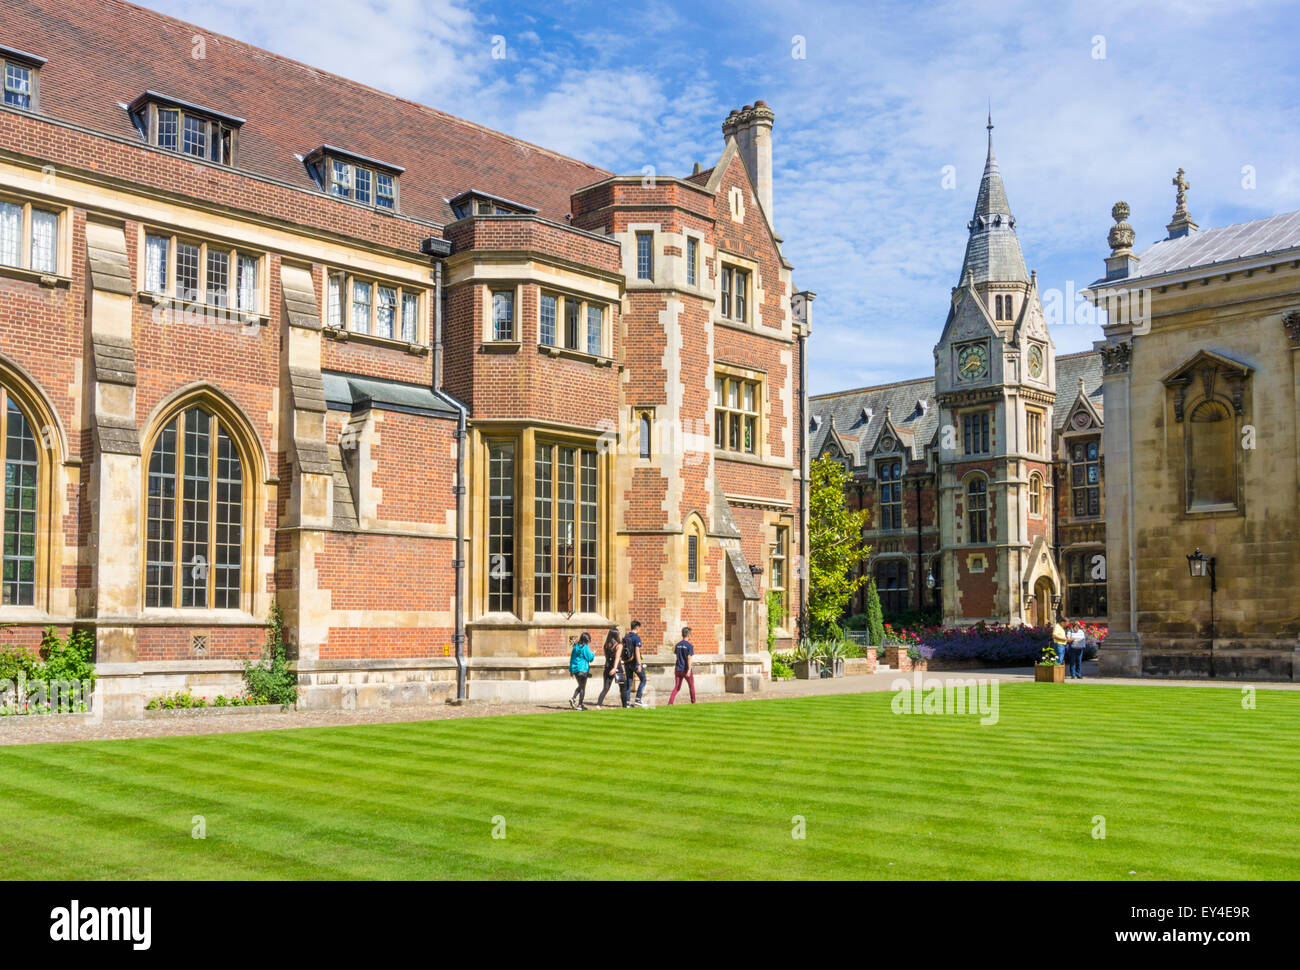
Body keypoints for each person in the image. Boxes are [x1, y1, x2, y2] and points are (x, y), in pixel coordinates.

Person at [667, 626, 696, 705]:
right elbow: (689, 658)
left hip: (678, 669)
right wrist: (689, 670)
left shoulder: (677, 645)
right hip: (685, 669)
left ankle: (670, 702)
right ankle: (693, 702)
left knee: (677, 687)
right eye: (691, 634)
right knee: (691, 686)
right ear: (689, 634)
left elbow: (678, 656)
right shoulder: (689, 646)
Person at [595, 628, 622, 708]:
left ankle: (598, 704)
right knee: (623, 687)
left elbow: (608, 657)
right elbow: (617, 658)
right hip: (617, 668)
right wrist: (614, 668)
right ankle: (625, 705)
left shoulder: (606, 645)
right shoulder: (619, 646)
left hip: (607, 667)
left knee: (605, 688)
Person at [621, 621, 646, 708]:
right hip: (634, 663)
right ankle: (638, 699)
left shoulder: (625, 637)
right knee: (643, 679)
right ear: (637, 627)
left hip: (627, 662)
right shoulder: (636, 638)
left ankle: (627, 702)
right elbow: (637, 651)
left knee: (629, 682)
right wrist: (639, 664)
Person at [568, 632, 594, 710]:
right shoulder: (585, 647)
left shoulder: (575, 647)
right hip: (583, 670)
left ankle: (573, 698)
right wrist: (593, 654)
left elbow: (572, 659)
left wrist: (571, 671)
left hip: (576, 670)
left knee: (580, 686)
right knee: (582, 688)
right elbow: (590, 658)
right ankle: (580, 705)